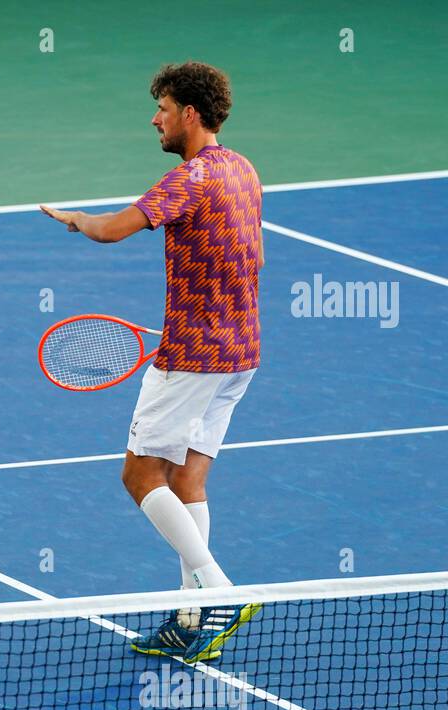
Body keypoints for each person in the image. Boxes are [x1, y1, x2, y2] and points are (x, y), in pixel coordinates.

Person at [40, 61, 263, 663]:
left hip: (191, 354)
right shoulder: (243, 170)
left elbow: (114, 230)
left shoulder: (187, 180)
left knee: (140, 475)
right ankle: (191, 621)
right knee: (188, 477)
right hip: (240, 351)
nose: (155, 119)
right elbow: (246, 258)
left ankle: (217, 591)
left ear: (190, 113)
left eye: (162, 108)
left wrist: (77, 219)